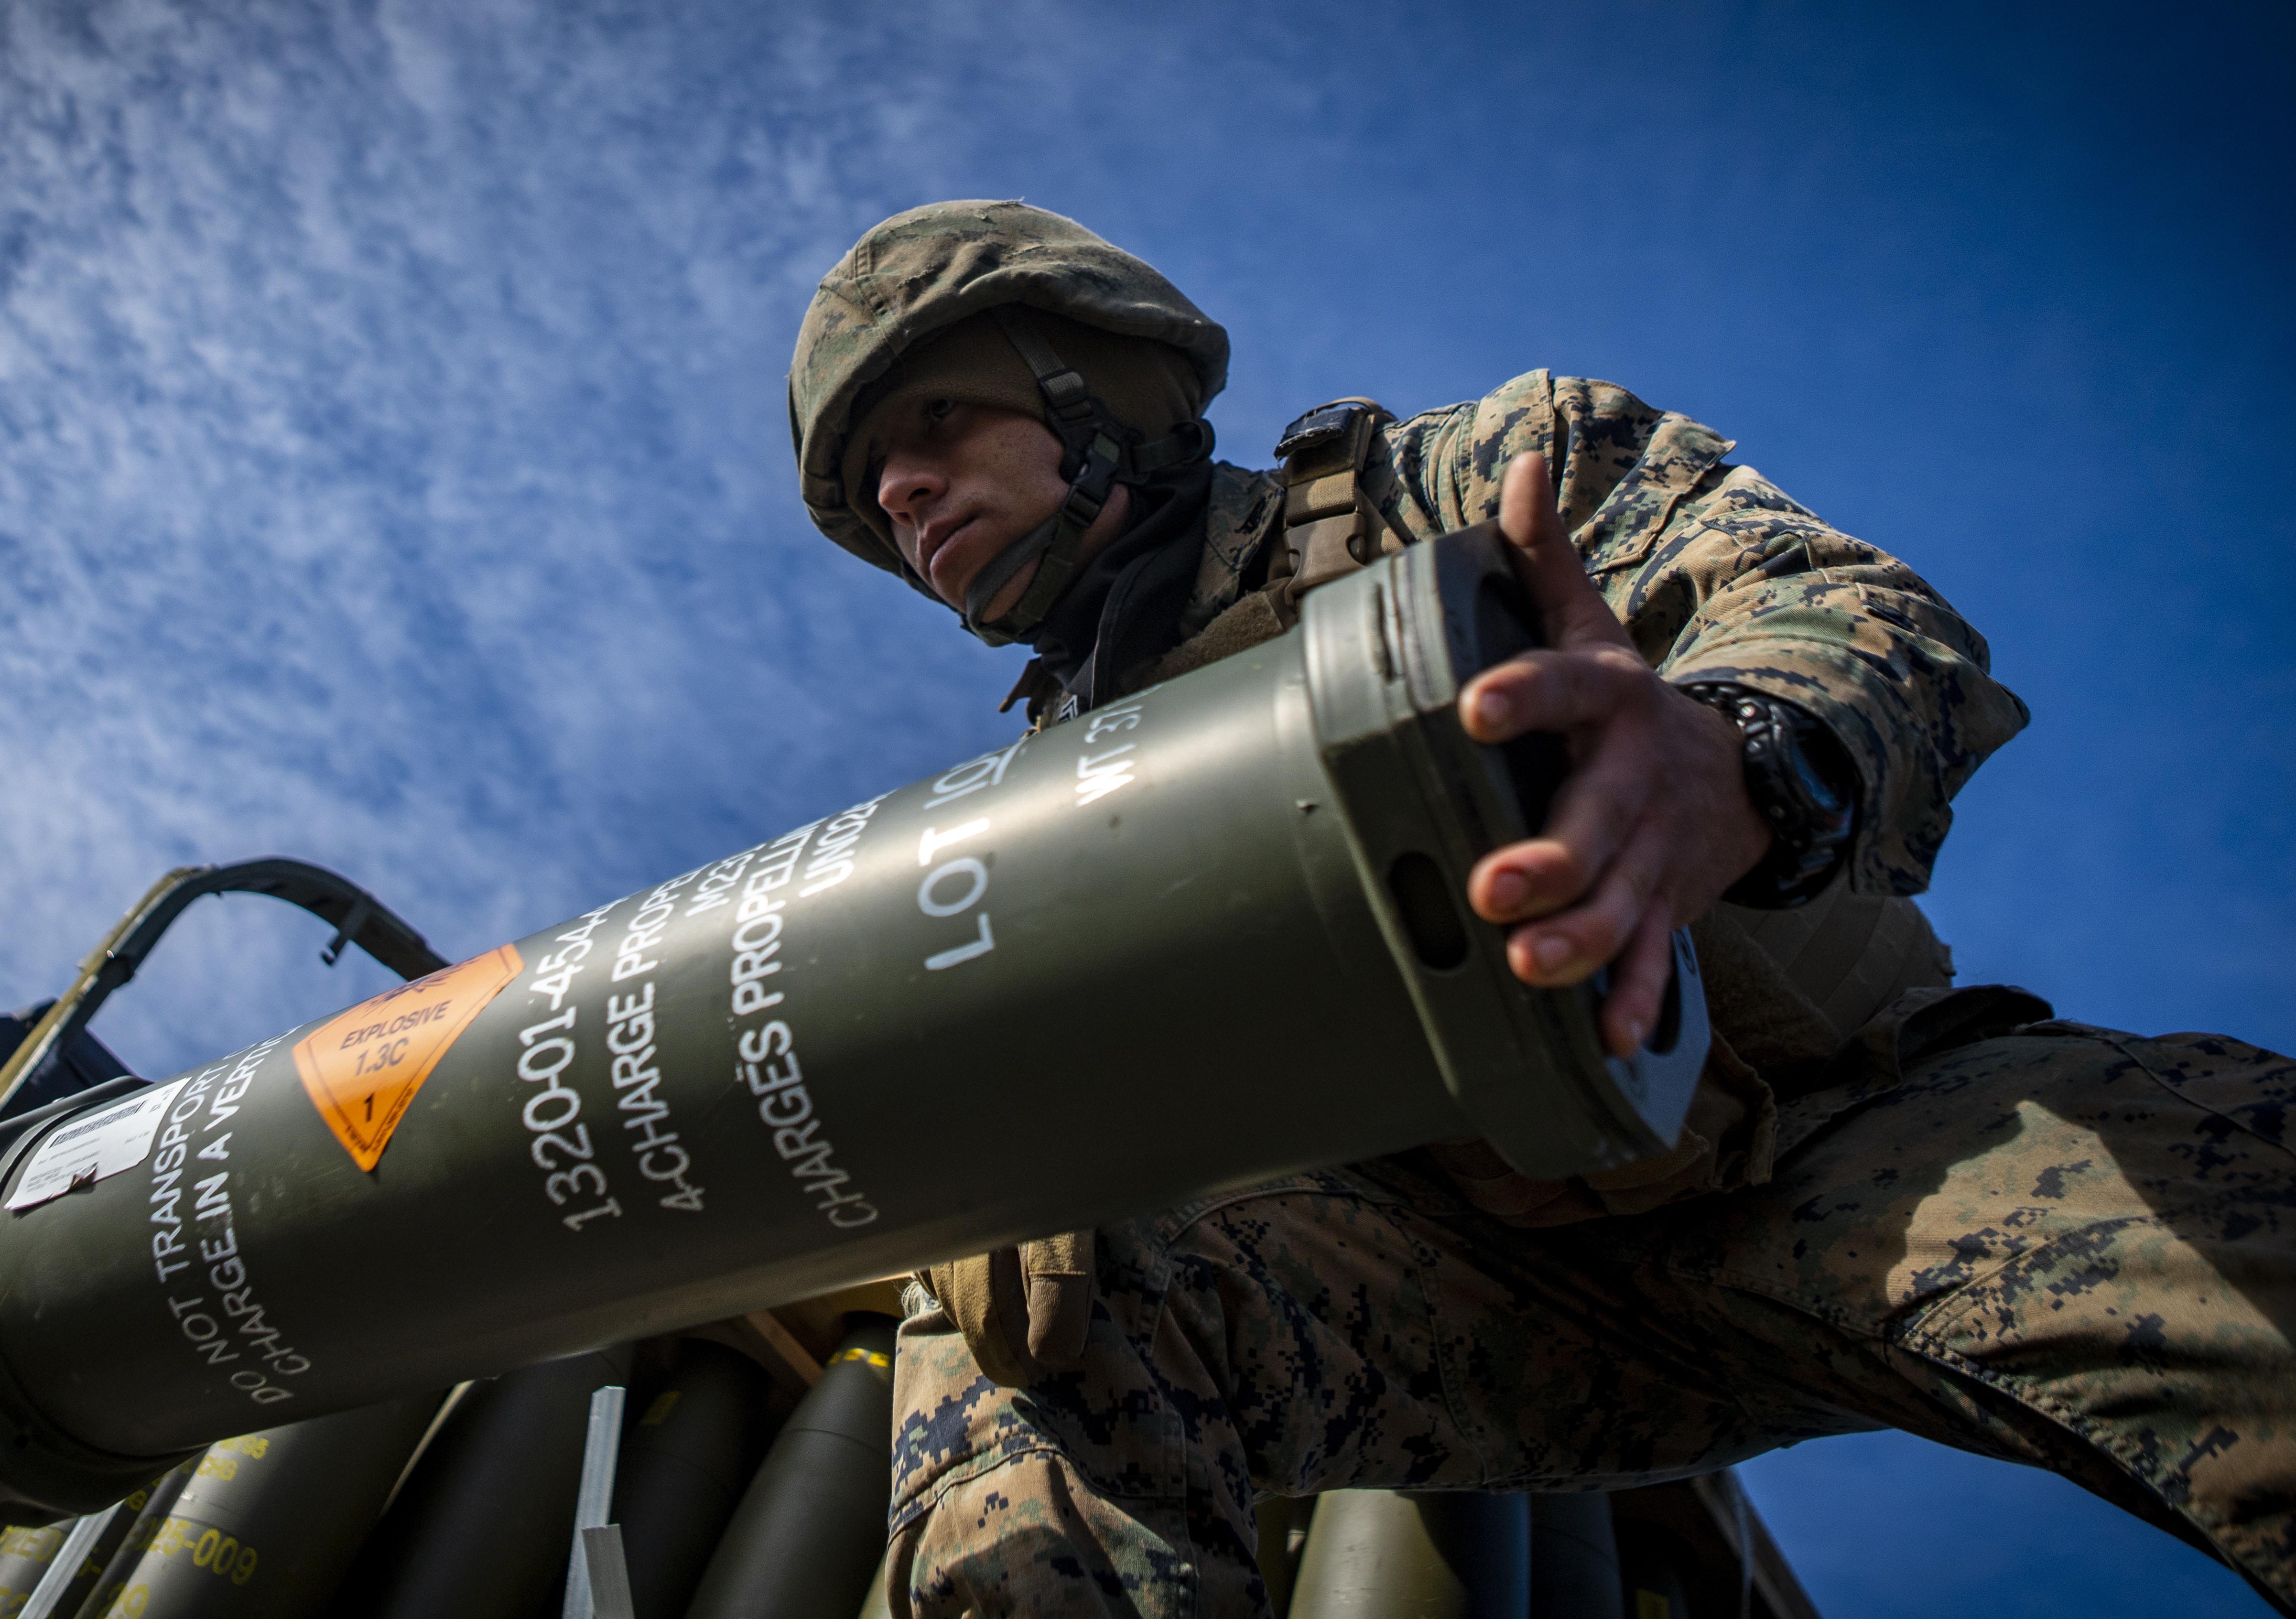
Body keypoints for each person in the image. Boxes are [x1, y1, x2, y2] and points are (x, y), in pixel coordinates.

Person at [789, 200, 2296, 1616]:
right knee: (1024, 1290)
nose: (903, 492)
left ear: (1094, 381)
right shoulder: (1024, 807)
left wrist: (1734, 751)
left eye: (935, 419)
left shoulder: (1451, 491)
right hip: (1475, 1276)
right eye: (871, 491)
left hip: (1852, 1138)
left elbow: (1845, 611)